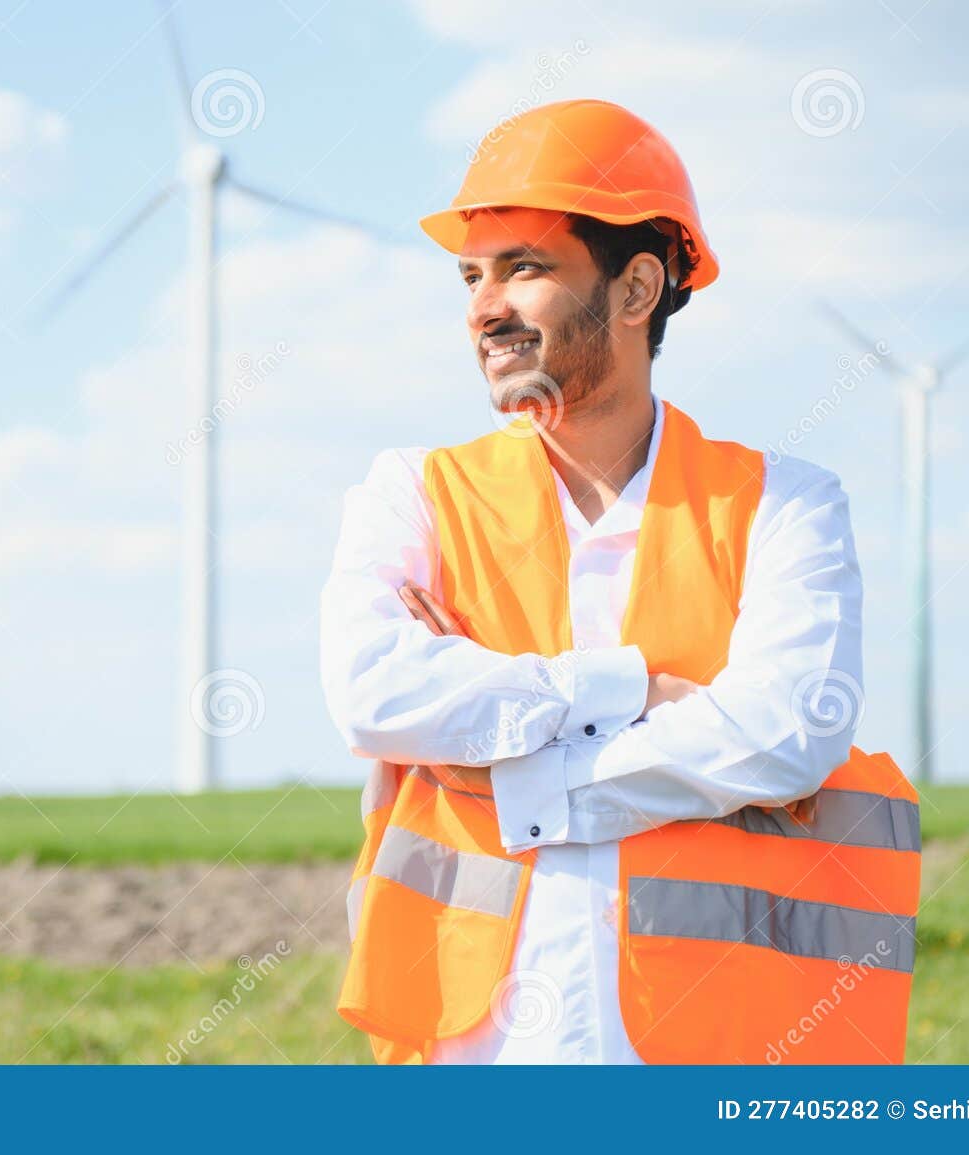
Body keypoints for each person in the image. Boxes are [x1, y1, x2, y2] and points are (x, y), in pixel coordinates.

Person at [318, 100, 921, 1065]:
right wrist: (632, 689)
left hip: (719, 1054)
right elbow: (375, 692)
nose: (483, 306)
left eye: (524, 268)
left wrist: (514, 773)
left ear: (637, 286)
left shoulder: (784, 505)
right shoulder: (414, 494)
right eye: (472, 276)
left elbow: (788, 731)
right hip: (476, 1055)